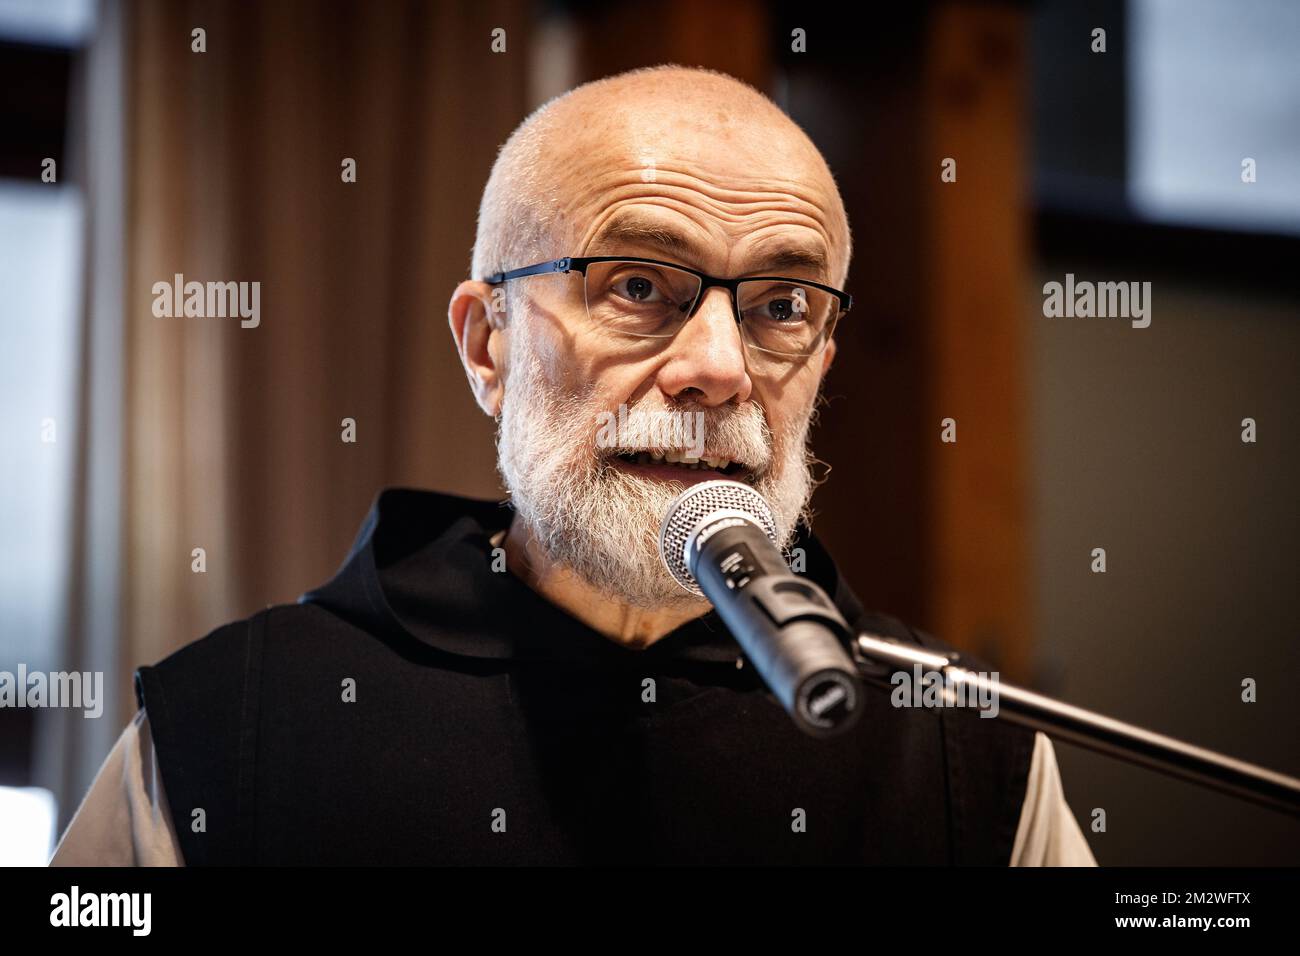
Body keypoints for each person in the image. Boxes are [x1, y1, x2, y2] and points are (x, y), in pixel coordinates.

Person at [51, 64, 1095, 866]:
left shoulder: (965, 757)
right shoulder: (226, 726)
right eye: (638, 283)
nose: (719, 369)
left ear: (820, 361)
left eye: (781, 306)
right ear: (486, 344)